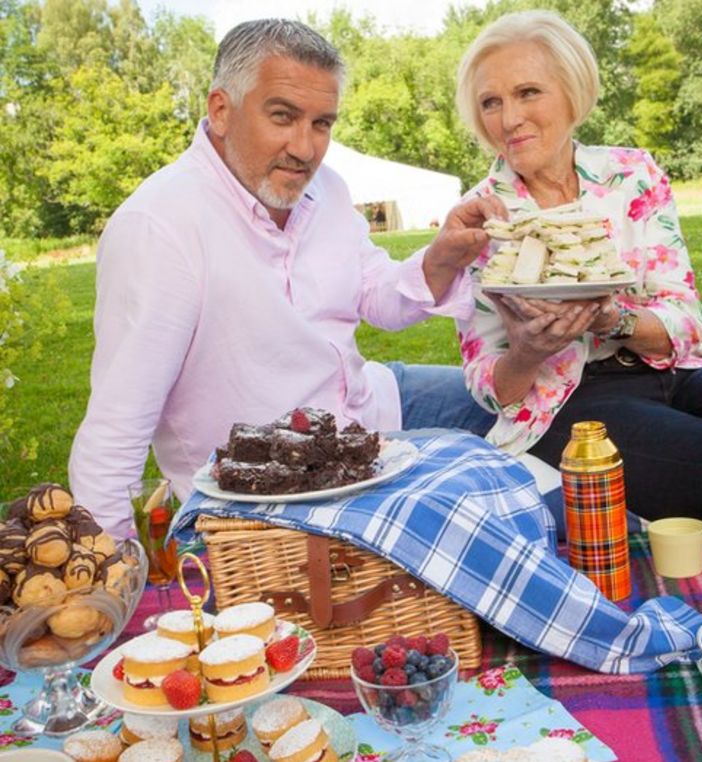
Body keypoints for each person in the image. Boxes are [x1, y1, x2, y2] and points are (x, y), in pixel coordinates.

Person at [69, 19, 503, 538]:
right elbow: (115, 432)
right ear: (221, 110)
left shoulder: (328, 191)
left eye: (322, 124)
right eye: (283, 116)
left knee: (538, 396)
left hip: (372, 405)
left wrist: (441, 257)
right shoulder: (161, 227)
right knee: (463, 522)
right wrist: (112, 577)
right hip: (272, 487)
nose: (306, 148)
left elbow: (377, 296)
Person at [453, 10, 702, 535]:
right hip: (574, 405)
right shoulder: (480, 216)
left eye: (527, 93)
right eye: (490, 102)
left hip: (673, 374)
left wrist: (611, 318)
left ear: (572, 92)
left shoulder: (632, 176)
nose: (508, 119)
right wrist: (528, 350)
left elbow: (685, 320)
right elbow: (488, 385)